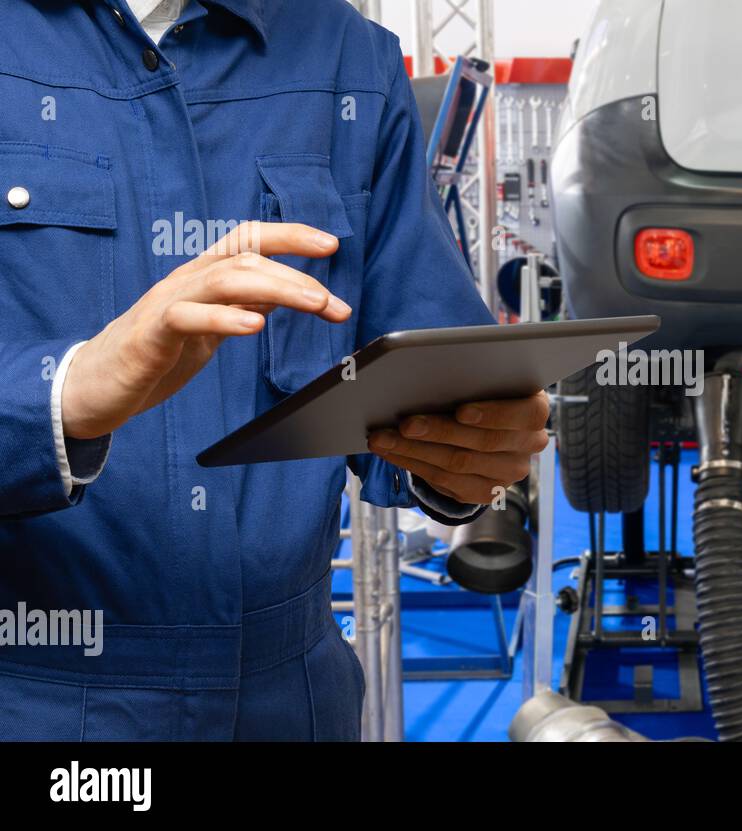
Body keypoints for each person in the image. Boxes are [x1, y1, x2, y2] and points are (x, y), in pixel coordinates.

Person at [0, 0, 546, 740]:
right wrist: (64, 395)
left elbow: (419, 360)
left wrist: (467, 447)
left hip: (292, 700)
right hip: (37, 701)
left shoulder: (349, 60)